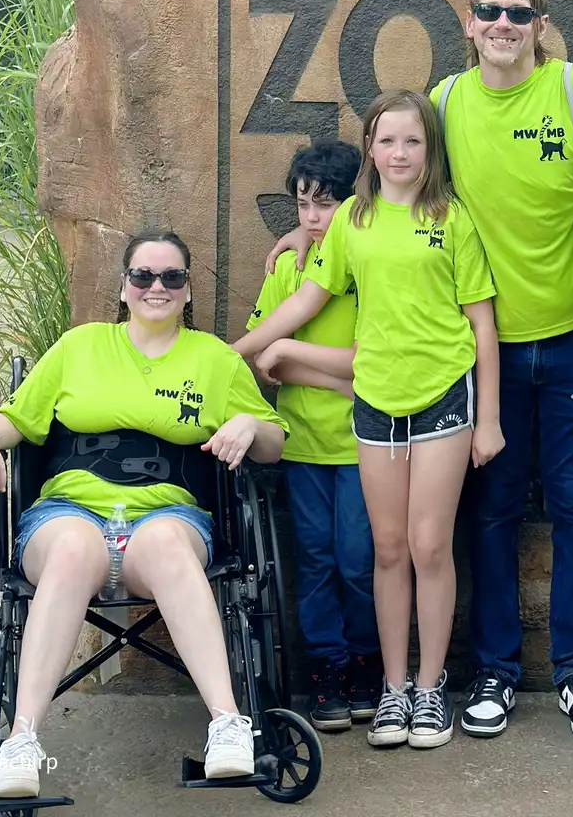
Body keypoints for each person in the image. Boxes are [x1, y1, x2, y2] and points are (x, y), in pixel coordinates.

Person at [268, 0, 573, 744]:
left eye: (517, 13)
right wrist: (311, 228)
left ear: (540, 24)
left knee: (571, 514)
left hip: (570, 346)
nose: (502, 23)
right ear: (467, 23)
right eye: (489, 11)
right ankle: (490, 671)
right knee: (488, 517)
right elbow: (389, 188)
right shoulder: (451, 103)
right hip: (480, 353)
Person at [0, 230, 288, 801]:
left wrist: (250, 424)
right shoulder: (79, 346)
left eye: (172, 277)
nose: (156, 287)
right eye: (143, 276)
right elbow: (15, 417)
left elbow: (274, 444)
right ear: (124, 286)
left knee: (164, 543)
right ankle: (22, 740)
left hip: (167, 517)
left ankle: (228, 725)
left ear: (188, 291)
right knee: (71, 549)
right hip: (68, 513)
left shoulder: (215, 360)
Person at [242, 90, 504, 751]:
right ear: (371, 149)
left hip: (443, 397)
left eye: (412, 141)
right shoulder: (354, 221)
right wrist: (231, 354)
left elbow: (482, 324)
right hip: (375, 403)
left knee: (429, 546)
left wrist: (489, 419)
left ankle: (429, 685)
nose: (399, 153)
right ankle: (392, 689)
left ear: (429, 148)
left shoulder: (452, 218)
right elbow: (307, 296)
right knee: (386, 549)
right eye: (387, 141)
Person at [233, 139, 382, 734]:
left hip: (362, 445)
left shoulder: (370, 263)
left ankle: (367, 665)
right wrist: (334, 375)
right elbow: (266, 358)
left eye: (324, 205)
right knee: (315, 561)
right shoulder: (290, 267)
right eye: (303, 206)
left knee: (359, 560)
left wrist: (300, 357)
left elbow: (375, 360)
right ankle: (327, 668)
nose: (313, 219)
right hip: (301, 445)